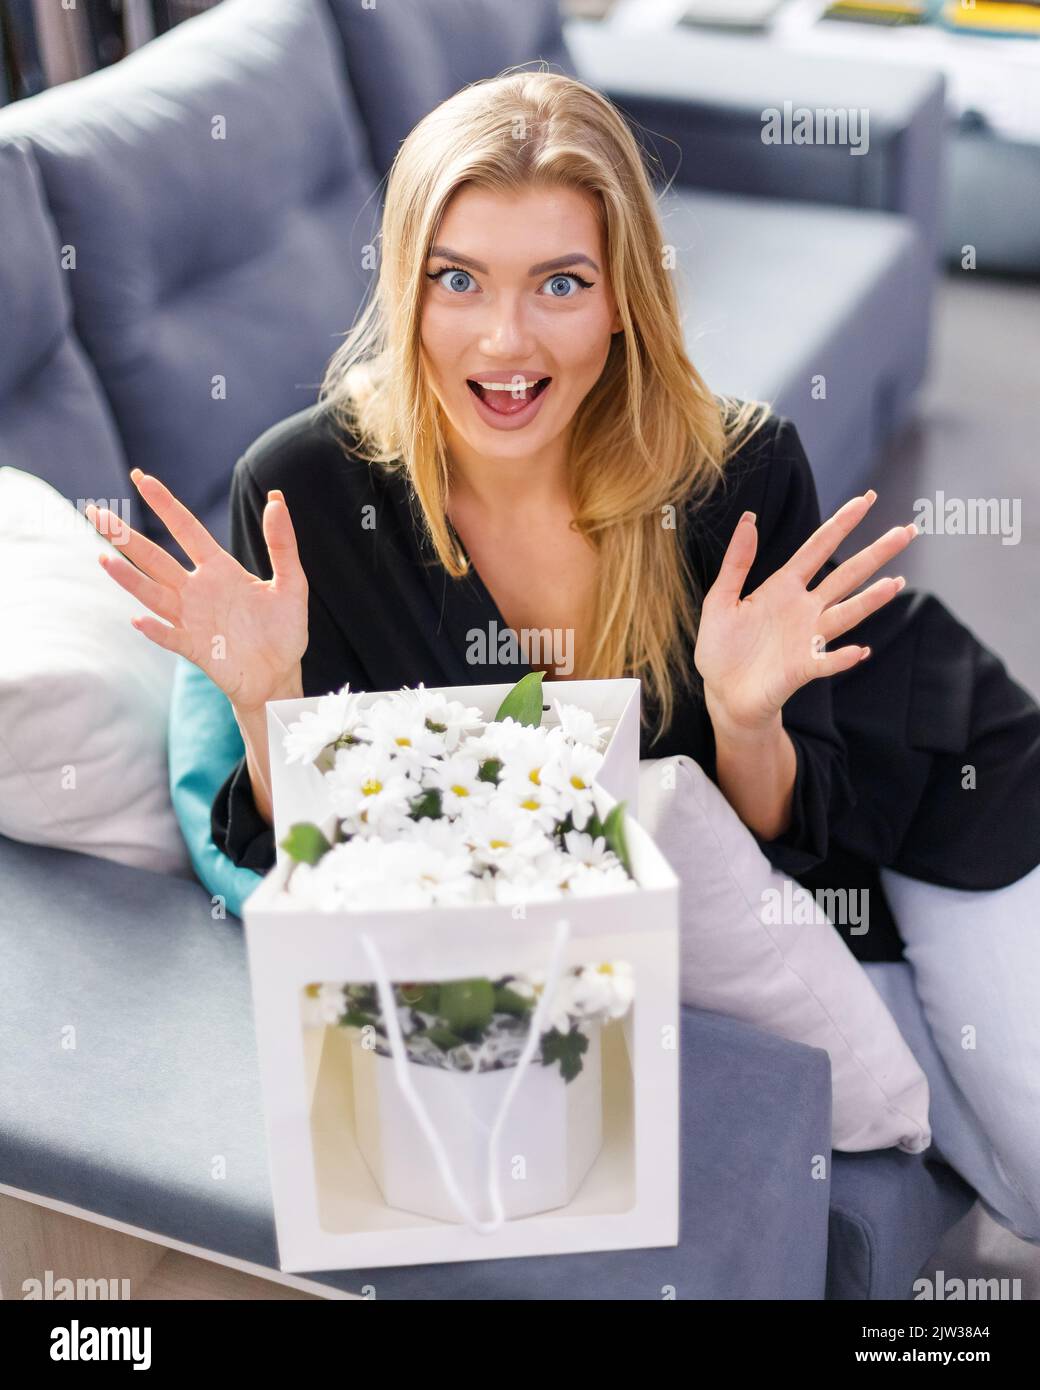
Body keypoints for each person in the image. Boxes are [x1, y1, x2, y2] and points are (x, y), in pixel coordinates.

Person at [86, 70, 1040, 1240]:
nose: (505, 338)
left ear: (622, 301)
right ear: (404, 289)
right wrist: (266, 701)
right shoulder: (307, 495)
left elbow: (803, 819)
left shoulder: (736, 469)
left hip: (931, 771)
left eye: (560, 283)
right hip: (765, 898)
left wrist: (741, 719)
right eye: (457, 280)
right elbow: (328, 847)